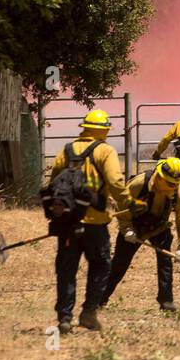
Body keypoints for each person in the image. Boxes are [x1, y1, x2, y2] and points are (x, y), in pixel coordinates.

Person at [42, 108, 133, 333]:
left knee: (66, 270)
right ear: (105, 131)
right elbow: (115, 181)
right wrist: (130, 203)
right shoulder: (105, 151)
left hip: (68, 224)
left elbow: (54, 185)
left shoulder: (66, 150)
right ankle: (89, 312)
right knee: (101, 266)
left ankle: (64, 318)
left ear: (84, 128)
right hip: (95, 222)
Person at [100, 157, 180, 312]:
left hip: (159, 228)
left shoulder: (178, 191)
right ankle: (99, 299)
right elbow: (122, 206)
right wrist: (127, 229)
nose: (174, 187)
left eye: (176, 183)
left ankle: (166, 301)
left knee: (165, 263)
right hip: (134, 227)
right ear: (161, 177)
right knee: (119, 265)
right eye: (170, 183)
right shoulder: (138, 184)